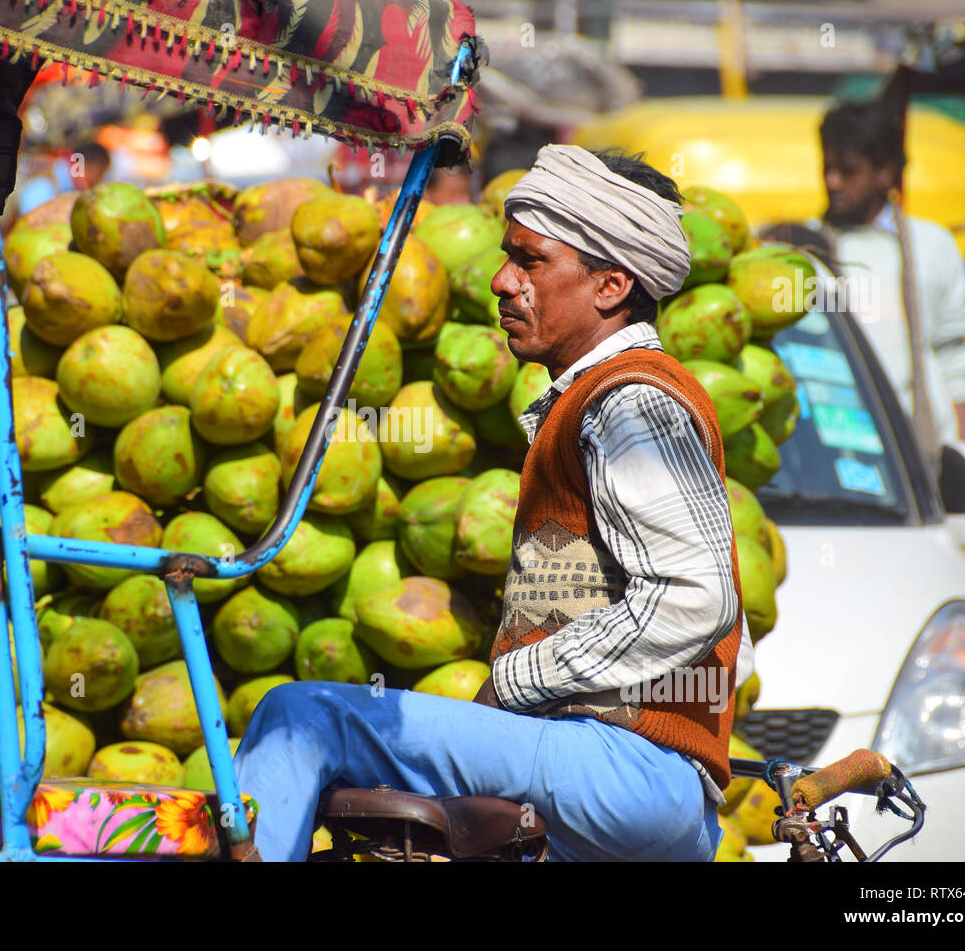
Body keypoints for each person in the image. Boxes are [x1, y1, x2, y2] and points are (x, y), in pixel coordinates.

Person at [234, 147, 751, 862]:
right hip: (635, 783)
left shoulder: (632, 402)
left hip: (627, 773)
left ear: (610, 285)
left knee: (301, 719)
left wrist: (517, 680)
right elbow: (735, 647)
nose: (501, 282)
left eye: (530, 262)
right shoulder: (603, 398)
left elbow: (698, 598)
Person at [812, 100, 965, 453]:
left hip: (927, 452)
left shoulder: (932, 244)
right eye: (827, 168)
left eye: (848, 170)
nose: (832, 181)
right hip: (839, 449)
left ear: (885, 172)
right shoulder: (805, 250)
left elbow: (954, 360)